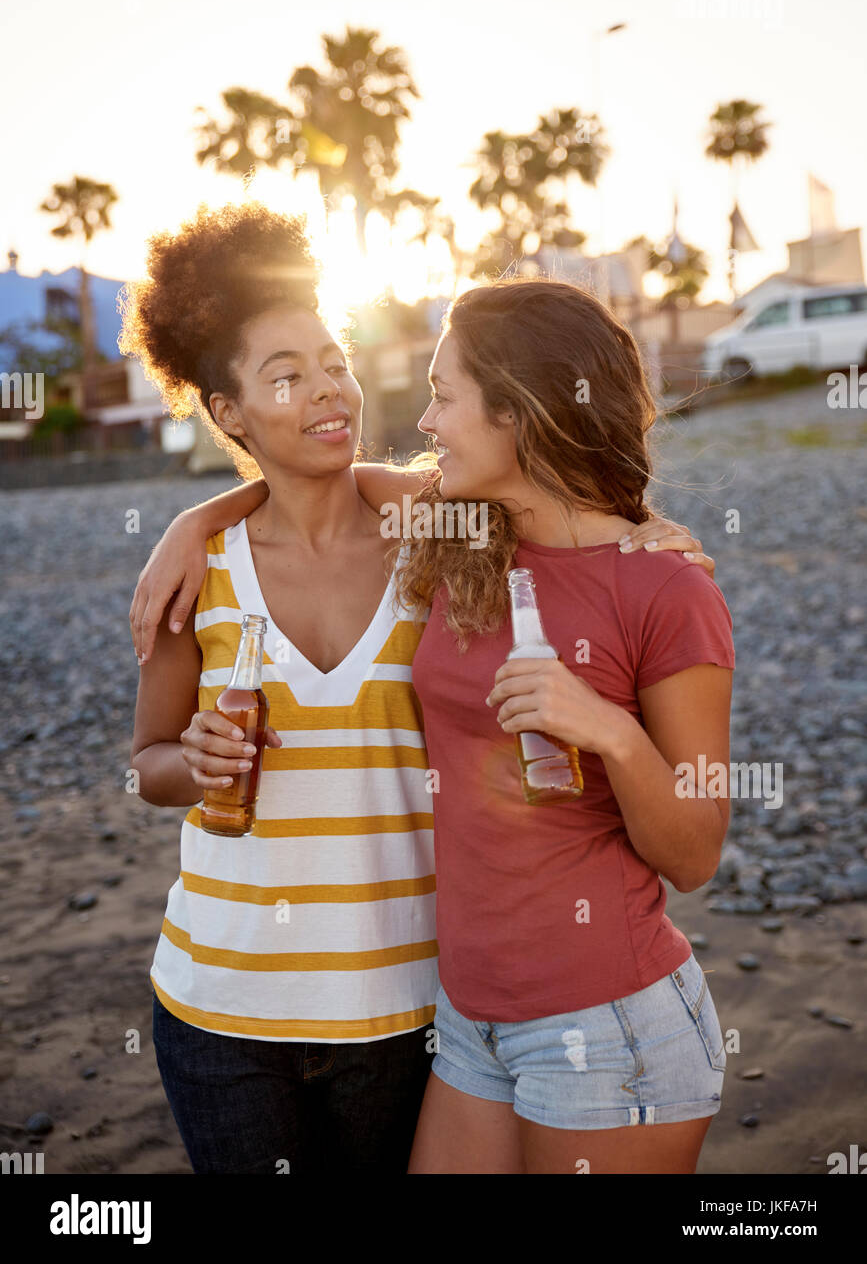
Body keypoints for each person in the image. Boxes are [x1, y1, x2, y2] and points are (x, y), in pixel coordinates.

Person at [130, 219, 729, 1175]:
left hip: (427, 1000)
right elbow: (150, 763)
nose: (332, 389)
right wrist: (192, 522)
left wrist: (647, 540)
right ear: (227, 410)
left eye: (336, 361)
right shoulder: (214, 568)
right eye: (287, 375)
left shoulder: (441, 535)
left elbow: (566, 512)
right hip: (268, 998)